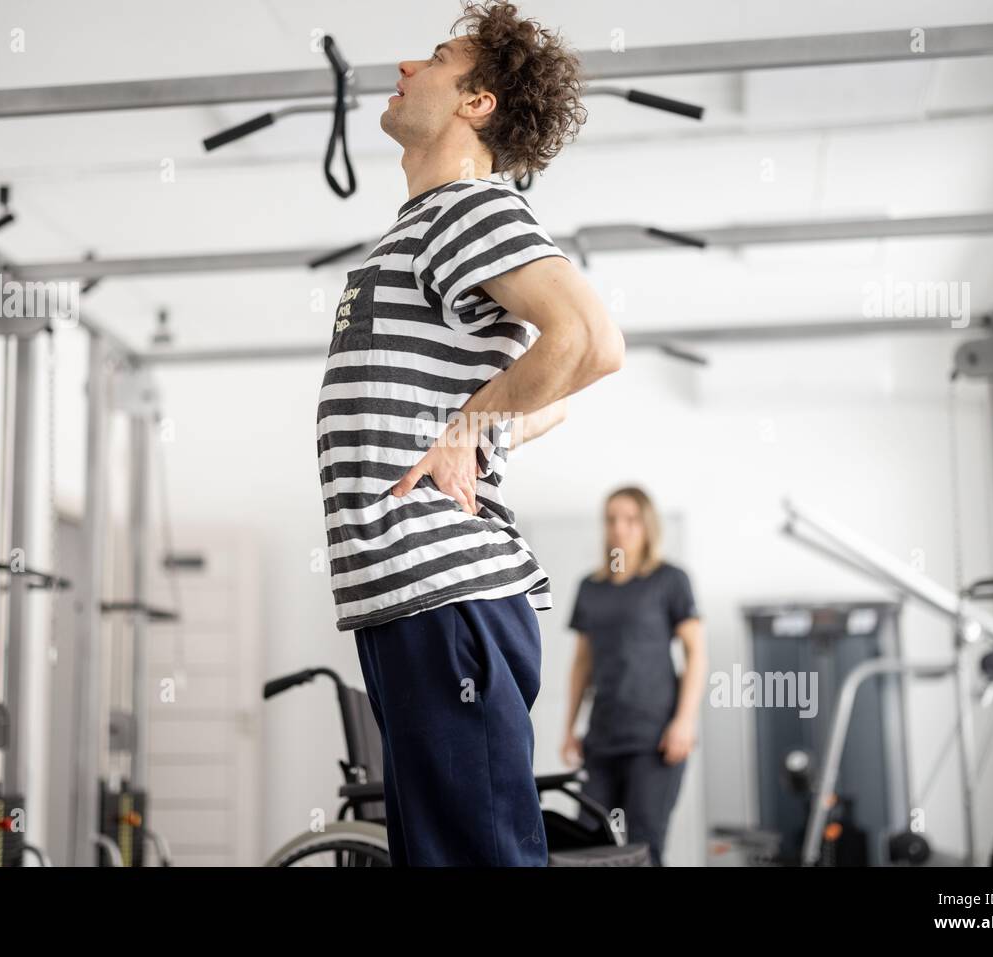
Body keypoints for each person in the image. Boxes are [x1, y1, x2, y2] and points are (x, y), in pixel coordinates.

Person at [314, 2, 624, 866]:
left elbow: (594, 343)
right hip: (407, 600)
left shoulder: (468, 210)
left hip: (446, 595)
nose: (406, 68)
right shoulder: (423, 227)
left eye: (436, 59)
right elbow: (555, 390)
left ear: (476, 102)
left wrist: (472, 424)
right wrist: (478, 429)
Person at [561, 486, 707, 866]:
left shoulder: (670, 580)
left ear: (647, 525)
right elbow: (582, 663)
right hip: (602, 739)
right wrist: (568, 728)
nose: (619, 528)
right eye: (611, 519)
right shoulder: (590, 588)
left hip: (655, 740)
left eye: (630, 519)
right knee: (590, 844)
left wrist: (685, 722)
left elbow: (696, 655)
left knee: (644, 844)